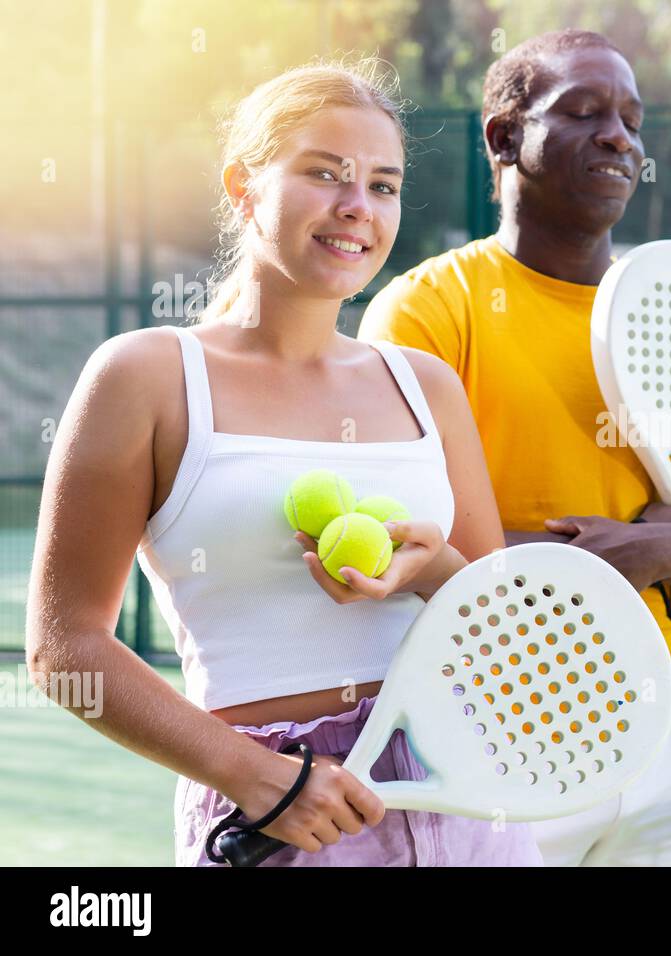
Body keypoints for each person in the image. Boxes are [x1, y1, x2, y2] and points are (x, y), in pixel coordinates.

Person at [25, 59, 540, 866]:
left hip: (464, 793)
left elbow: (503, 617)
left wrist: (431, 567)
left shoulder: (426, 386)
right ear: (242, 185)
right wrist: (258, 777)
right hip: (276, 820)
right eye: (323, 174)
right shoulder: (145, 376)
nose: (355, 208)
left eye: (382, 185)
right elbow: (65, 648)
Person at [359, 29, 671, 866]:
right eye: (583, 112)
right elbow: (415, 548)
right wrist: (638, 556)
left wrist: (655, 544)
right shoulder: (428, 311)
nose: (620, 136)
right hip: (492, 738)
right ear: (504, 137)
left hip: (670, 728)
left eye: (632, 119)